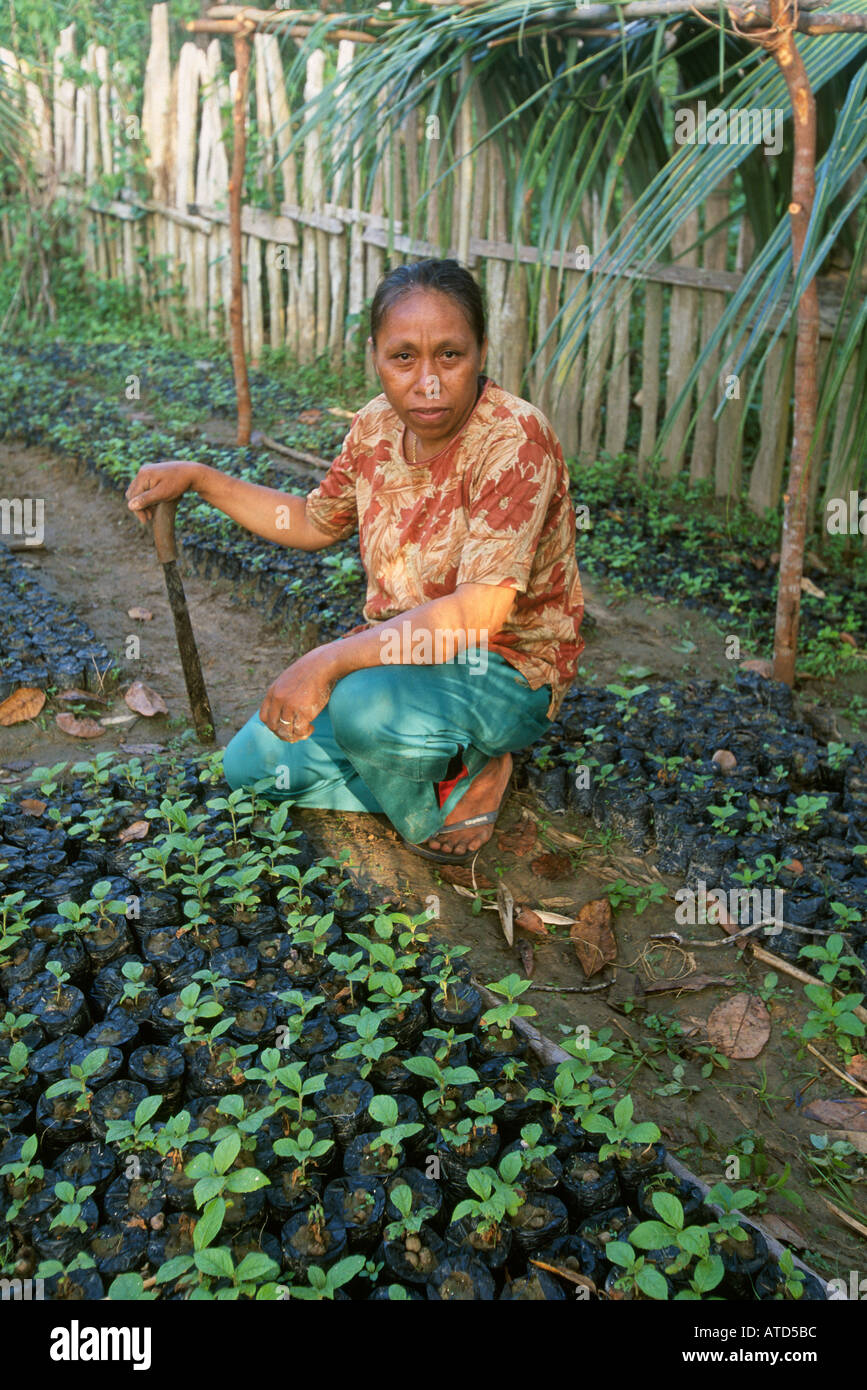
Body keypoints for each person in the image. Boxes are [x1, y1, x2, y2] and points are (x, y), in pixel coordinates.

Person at [125, 258, 584, 863]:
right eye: (403, 357)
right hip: (400, 661)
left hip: (502, 668)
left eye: (450, 355)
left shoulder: (513, 440)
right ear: (375, 355)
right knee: (251, 768)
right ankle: (454, 763)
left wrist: (327, 662)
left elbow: (477, 615)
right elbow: (315, 520)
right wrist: (201, 479)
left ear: (481, 351)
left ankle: (436, 809)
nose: (427, 382)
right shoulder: (372, 426)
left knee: (360, 706)